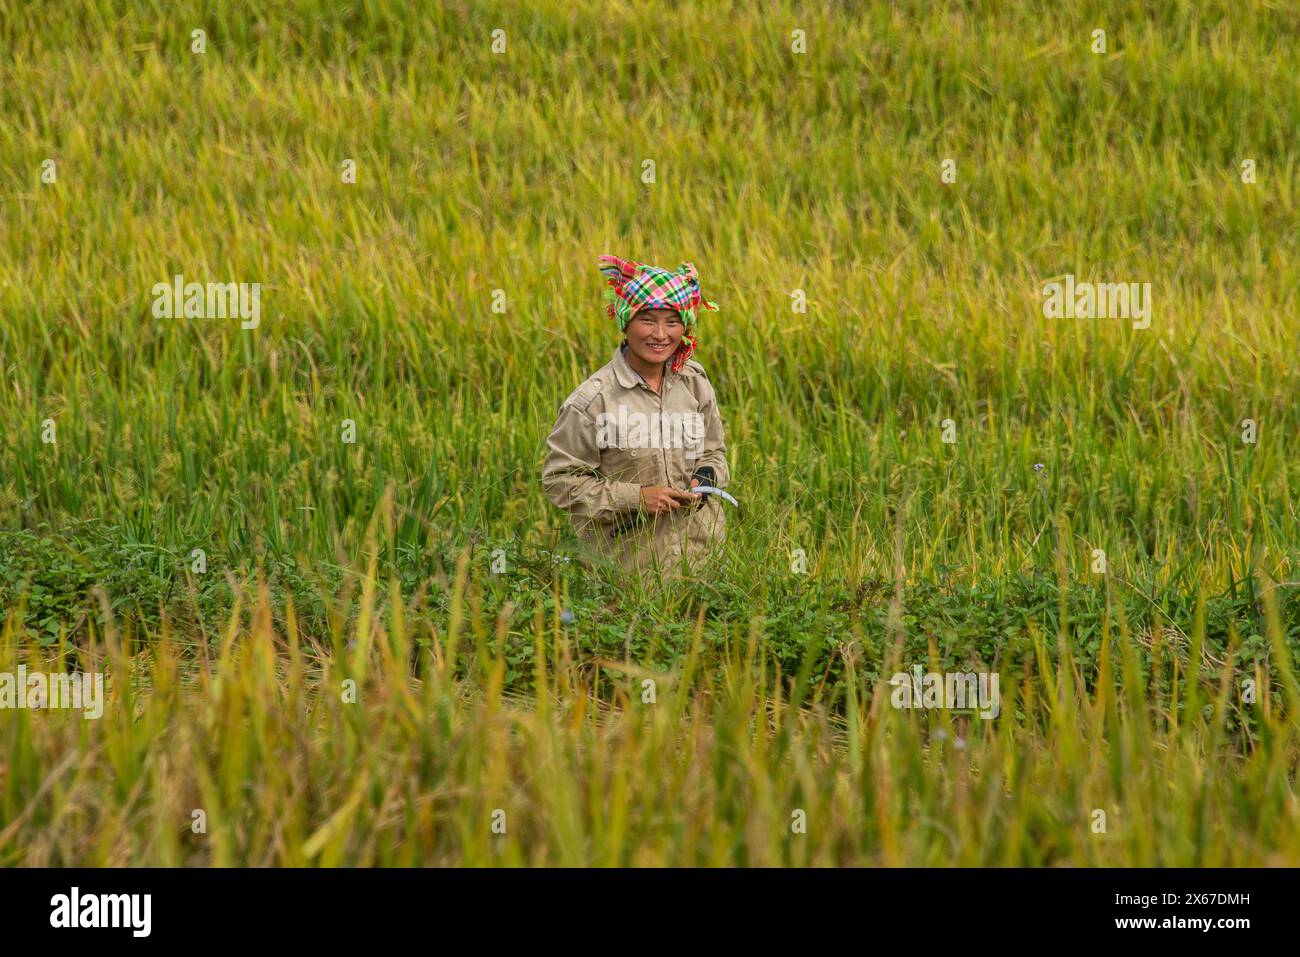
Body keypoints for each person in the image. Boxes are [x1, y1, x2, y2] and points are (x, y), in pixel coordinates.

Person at [542, 255, 730, 573]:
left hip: (704, 570)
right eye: (647, 320)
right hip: (628, 578)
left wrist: (708, 476)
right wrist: (637, 499)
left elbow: (713, 452)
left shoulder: (695, 383)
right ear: (626, 322)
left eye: (672, 322)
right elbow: (559, 482)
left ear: (685, 326)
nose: (660, 334)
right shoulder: (593, 401)